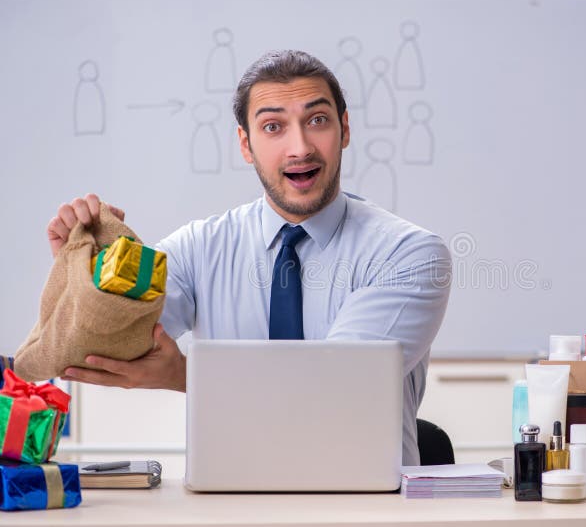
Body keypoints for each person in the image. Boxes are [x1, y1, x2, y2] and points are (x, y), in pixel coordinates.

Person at [45, 50, 452, 465]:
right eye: (273, 126)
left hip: (365, 504)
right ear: (246, 144)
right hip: (228, 498)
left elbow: (336, 390)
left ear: (344, 129)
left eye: (317, 120)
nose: (300, 147)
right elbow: (104, 347)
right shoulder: (198, 248)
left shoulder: (408, 254)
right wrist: (82, 279)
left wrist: (188, 377)